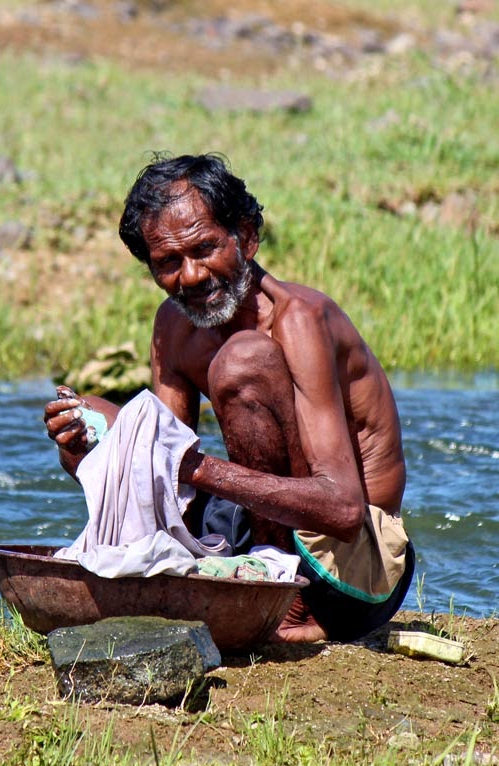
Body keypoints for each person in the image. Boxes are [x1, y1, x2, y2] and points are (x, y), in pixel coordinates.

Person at [44, 153, 414, 643]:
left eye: (204, 249)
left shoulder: (299, 321)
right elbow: (169, 492)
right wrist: (86, 452)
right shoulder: (174, 327)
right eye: (168, 263)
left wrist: (191, 465)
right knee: (97, 411)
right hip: (252, 529)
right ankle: (246, 591)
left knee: (243, 360)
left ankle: (286, 610)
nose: (191, 276)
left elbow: (343, 511)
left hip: (351, 568)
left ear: (246, 238)